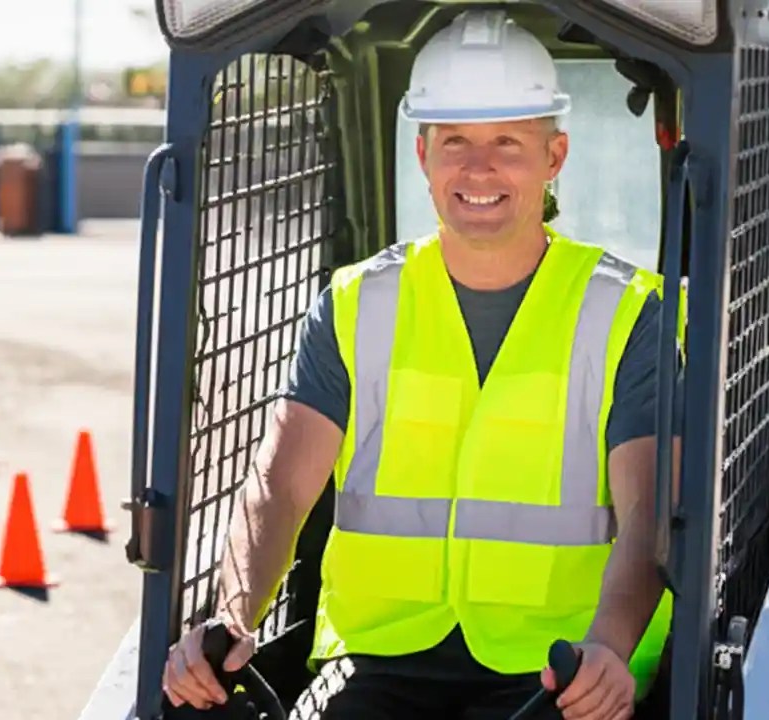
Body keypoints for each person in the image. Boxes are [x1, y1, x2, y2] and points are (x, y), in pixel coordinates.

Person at [163, 9, 681, 720]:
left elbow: (649, 514)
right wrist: (231, 616)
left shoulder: (628, 313)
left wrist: (609, 651)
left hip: (560, 671)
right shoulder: (354, 304)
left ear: (554, 156)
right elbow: (279, 490)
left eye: (508, 142)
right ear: (422, 156)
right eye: (456, 142)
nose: (479, 168)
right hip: (376, 663)